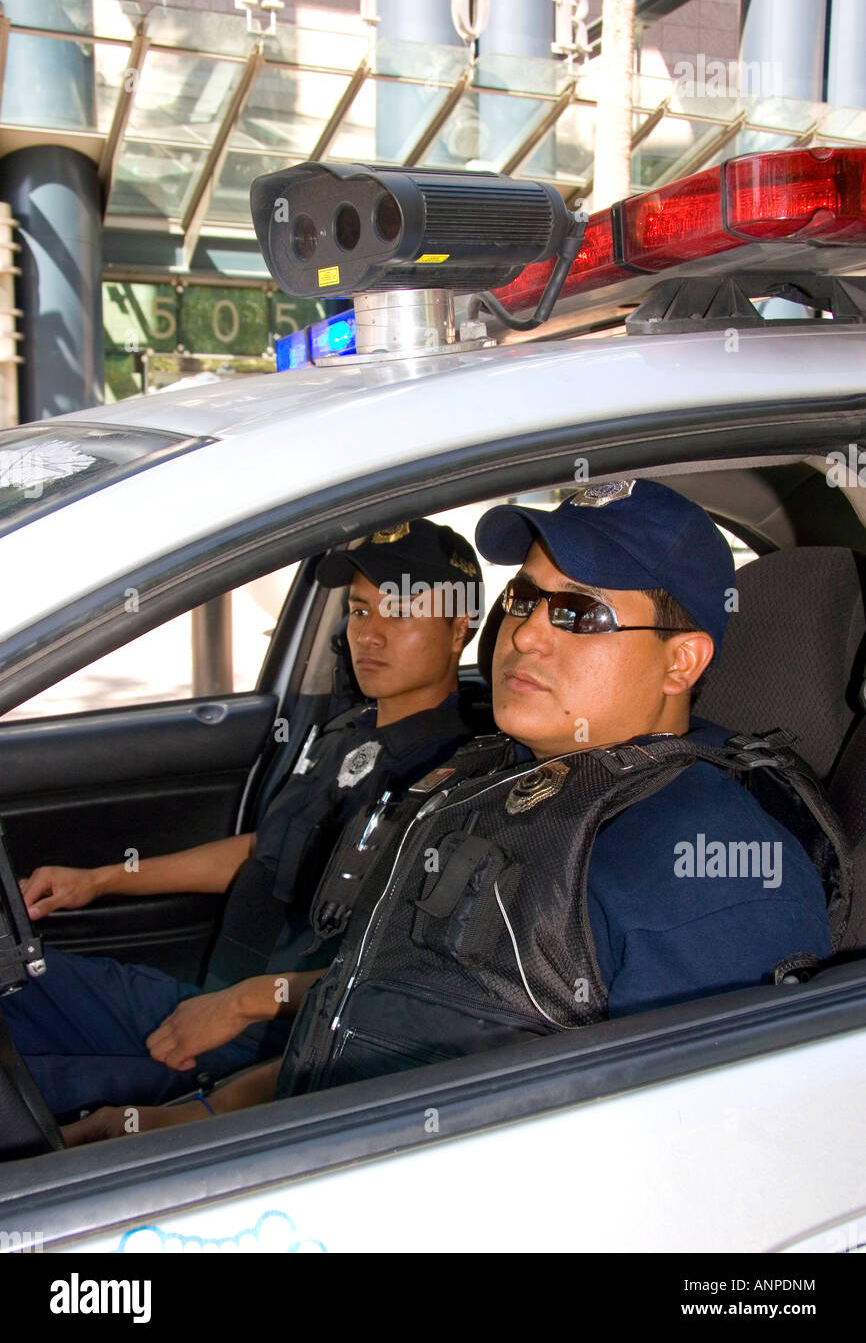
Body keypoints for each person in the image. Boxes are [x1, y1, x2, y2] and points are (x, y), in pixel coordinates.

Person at [64, 480, 847, 1143]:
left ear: (682, 660)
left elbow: (708, 1163)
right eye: (524, 598)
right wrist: (208, 1115)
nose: (528, 633)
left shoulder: (706, 867)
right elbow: (375, 1014)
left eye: (578, 614)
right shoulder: (496, 779)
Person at [9, 519, 483, 1119]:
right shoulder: (345, 732)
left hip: (281, 1053)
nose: (371, 635)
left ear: (459, 626)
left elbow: (407, 979)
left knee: (28, 1096)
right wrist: (100, 879)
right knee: (15, 984)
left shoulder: (460, 786)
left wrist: (246, 1005)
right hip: (208, 1004)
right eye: (361, 612)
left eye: (400, 612)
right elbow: (266, 848)